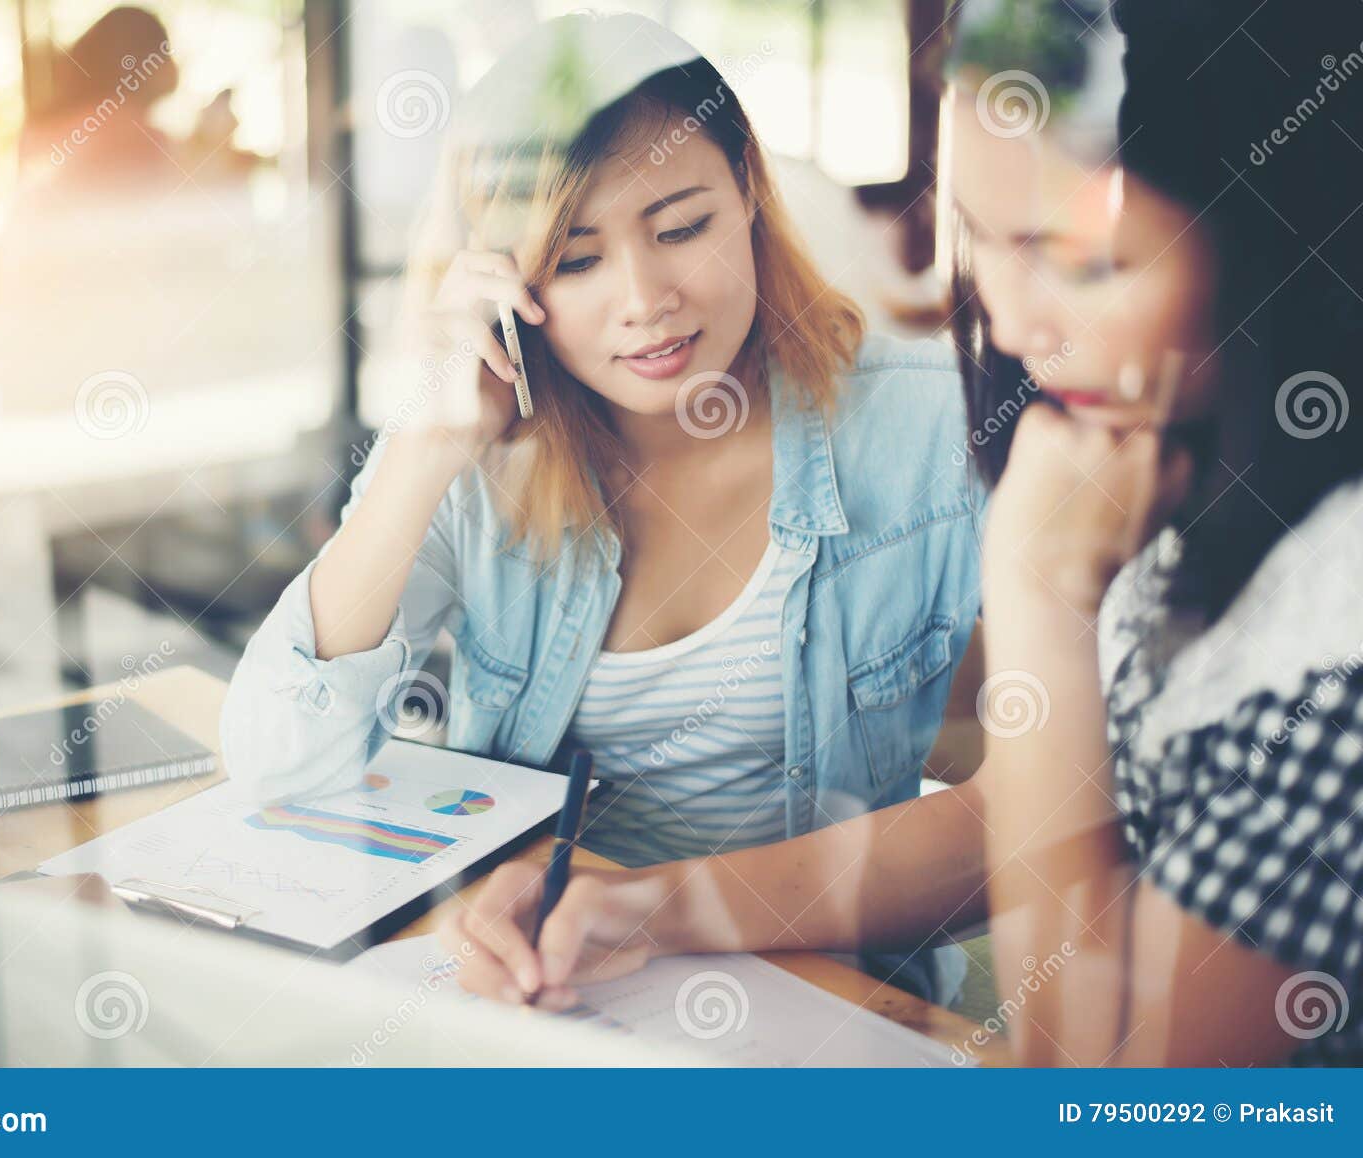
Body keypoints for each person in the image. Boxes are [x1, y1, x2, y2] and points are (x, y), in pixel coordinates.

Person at [442, 0, 1363, 1066]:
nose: (1014, 327)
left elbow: (1095, 1097)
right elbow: (1051, 817)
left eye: (1083, 261)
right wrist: (652, 910)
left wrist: (1039, 605)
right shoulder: (1174, 461)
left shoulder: (1329, 663)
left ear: (1275, 236)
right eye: (986, 241)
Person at [221, 12, 985, 1005]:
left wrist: (661, 907)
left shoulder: (932, 419)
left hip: (826, 998)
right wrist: (425, 451)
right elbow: (276, 762)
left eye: (681, 228)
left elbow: (1060, 810)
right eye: (575, 259)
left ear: (748, 192)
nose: (645, 297)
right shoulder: (478, 457)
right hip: (547, 998)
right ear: (508, 276)